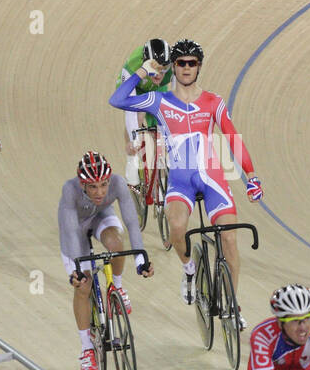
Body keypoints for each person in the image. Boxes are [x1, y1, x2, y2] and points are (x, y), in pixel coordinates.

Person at [109, 38, 262, 326]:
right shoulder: (159, 100)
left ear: (199, 67)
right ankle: (189, 269)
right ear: (173, 68)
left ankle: (233, 304)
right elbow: (117, 100)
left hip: (213, 177)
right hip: (181, 180)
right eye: (181, 63)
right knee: (177, 227)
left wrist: (251, 177)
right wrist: (144, 70)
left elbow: (232, 137)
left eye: (192, 63)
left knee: (229, 238)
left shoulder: (213, 101)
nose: (187, 68)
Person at [59, 150, 152, 370]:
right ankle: (86, 349)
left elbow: (131, 222)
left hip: (101, 217)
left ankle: (117, 287)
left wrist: (141, 259)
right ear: (83, 185)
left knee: (117, 244)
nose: (99, 192)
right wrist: (76, 272)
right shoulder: (70, 190)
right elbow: (71, 233)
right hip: (75, 228)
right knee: (84, 286)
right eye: (92, 187)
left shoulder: (118, 183)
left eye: (103, 185)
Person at [116, 38, 171, 183]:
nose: (159, 74)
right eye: (155, 69)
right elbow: (130, 111)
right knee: (138, 115)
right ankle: (132, 159)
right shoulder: (133, 67)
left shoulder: (171, 69)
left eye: (163, 69)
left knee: (161, 129)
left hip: (155, 88)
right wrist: (133, 140)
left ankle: (160, 180)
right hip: (134, 85)